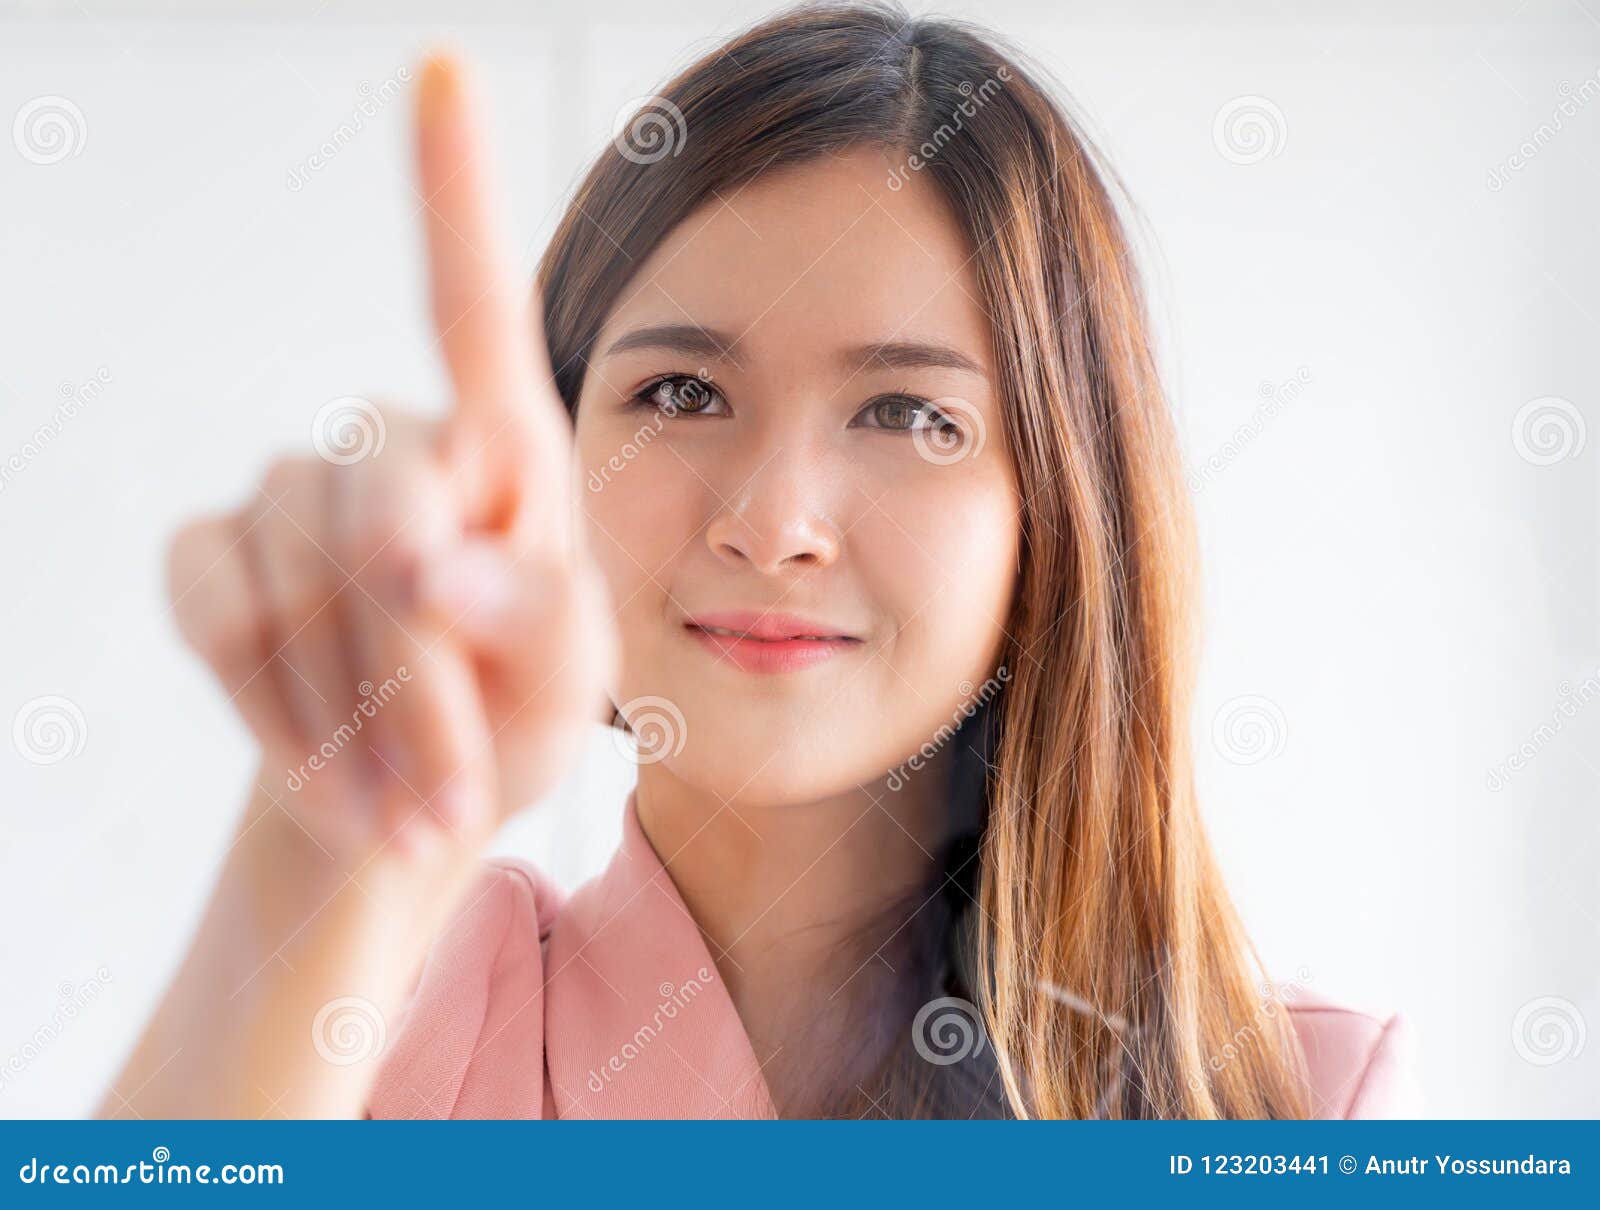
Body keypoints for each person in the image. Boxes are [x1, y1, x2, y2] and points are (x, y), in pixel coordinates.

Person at [103, 2, 1417, 1120]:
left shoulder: (1286, 1098)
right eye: (679, 392)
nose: (771, 518)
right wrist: (323, 834)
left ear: (1060, 517)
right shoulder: (372, 1035)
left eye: (911, 414)